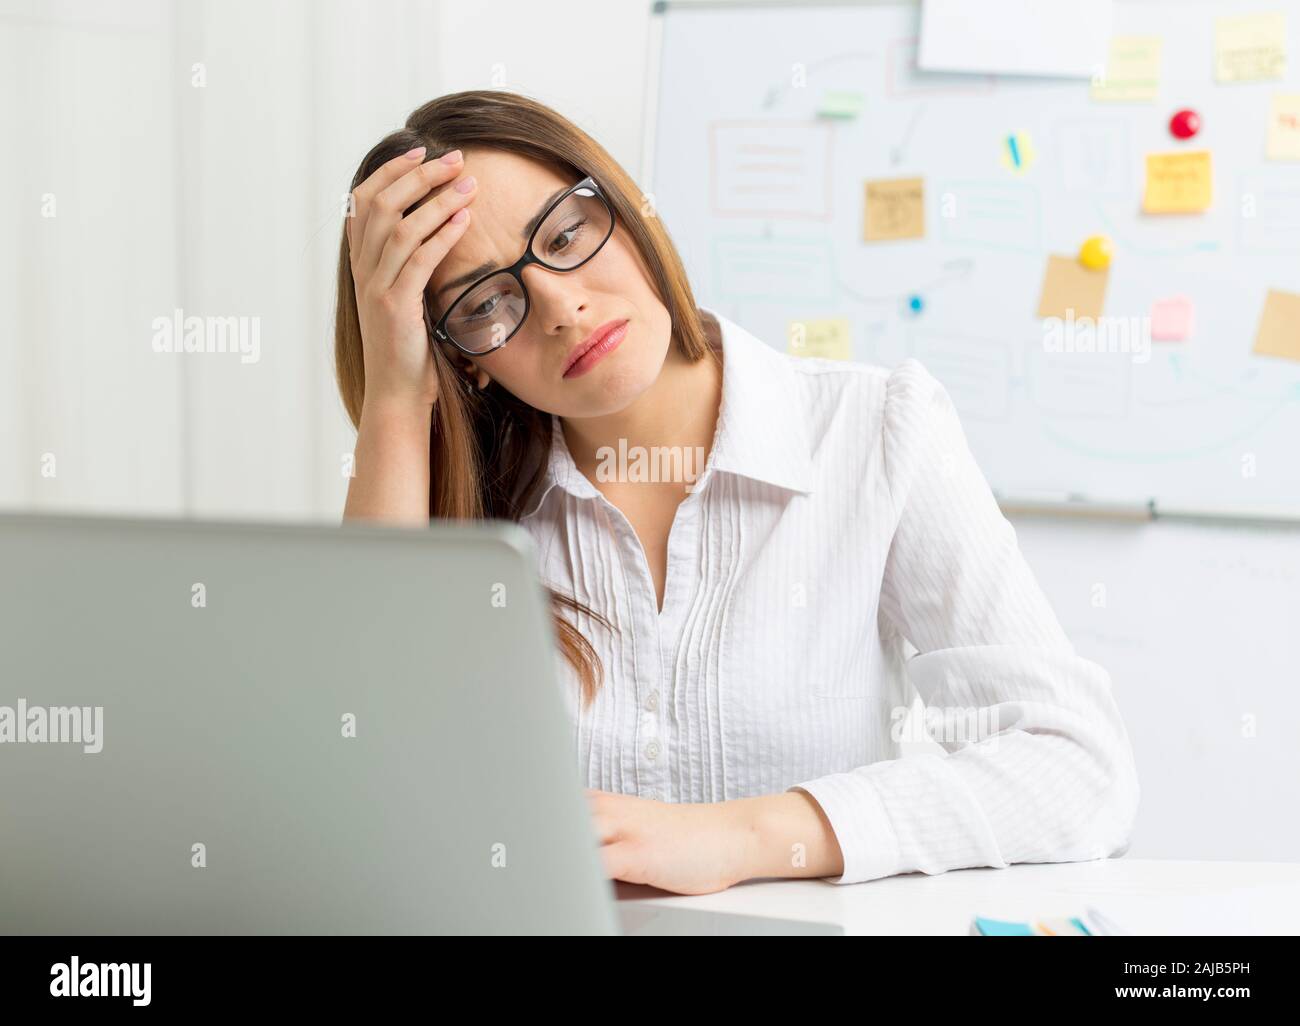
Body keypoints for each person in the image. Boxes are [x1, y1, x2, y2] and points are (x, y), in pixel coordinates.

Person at [334, 90, 1140, 896]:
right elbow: (361, 807)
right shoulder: (440, 513)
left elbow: (1078, 769)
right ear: (463, 356)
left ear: (625, 209)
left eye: (567, 235)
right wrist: (398, 397)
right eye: (483, 303)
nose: (560, 306)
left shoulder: (875, 430)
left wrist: (742, 837)